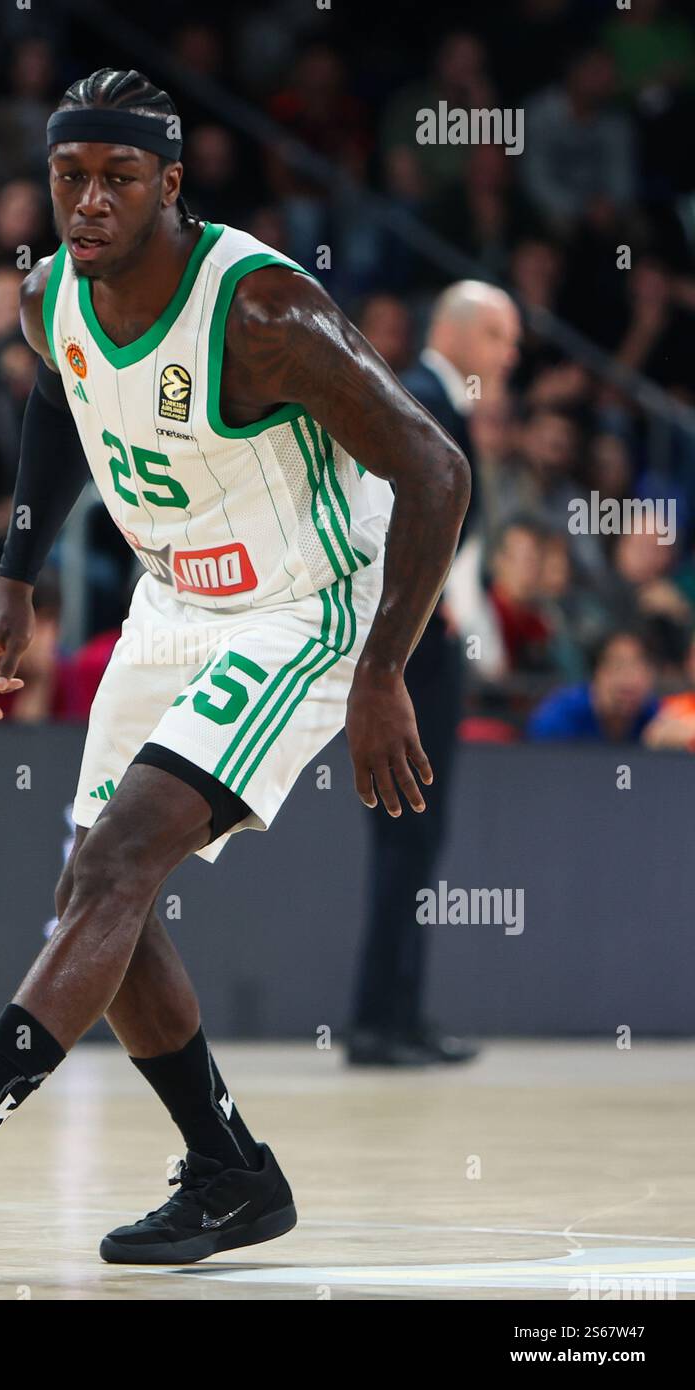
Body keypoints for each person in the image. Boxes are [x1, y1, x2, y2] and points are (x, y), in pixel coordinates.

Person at [0, 69, 469, 1266]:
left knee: (113, 864)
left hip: (303, 607)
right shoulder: (49, 293)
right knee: (93, 895)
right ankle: (227, 1173)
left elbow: (434, 468)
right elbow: (59, 402)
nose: (89, 202)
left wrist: (381, 670)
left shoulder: (260, 312)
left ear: (170, 184)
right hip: (174, 606)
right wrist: (14, 576)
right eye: (69, 177)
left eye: (117, 178)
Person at [347, 281, 520, 1067]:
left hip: (425, 641)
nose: (510, 354)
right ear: (457, 333)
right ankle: (378, 1021)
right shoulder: (418, 395)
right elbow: (382, 506)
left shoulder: (438, 401)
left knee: (417, 839)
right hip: (410, 650)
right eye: (499, 335)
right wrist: (420, 604)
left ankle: (400, 1013)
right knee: (406, 835)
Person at [528, 629, 659, 742]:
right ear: (597, 672)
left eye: (639, 666)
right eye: (618, 665)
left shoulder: (656, 715)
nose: (628, 678)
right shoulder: (558, 717)